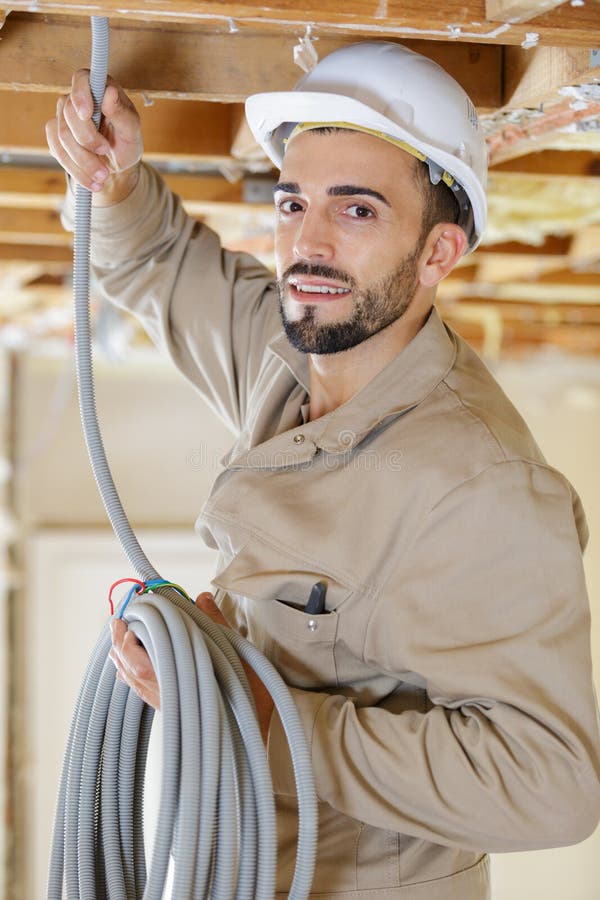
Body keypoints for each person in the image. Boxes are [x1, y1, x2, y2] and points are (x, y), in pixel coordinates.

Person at [47, 41, 600, 900]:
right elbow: (162, 260)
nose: (306, 244)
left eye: (357, 210)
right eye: (293, 202)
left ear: (439, 252)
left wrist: (259, 716)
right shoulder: (295, 356)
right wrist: (115, 181)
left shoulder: (476, 483)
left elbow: (550, 786)